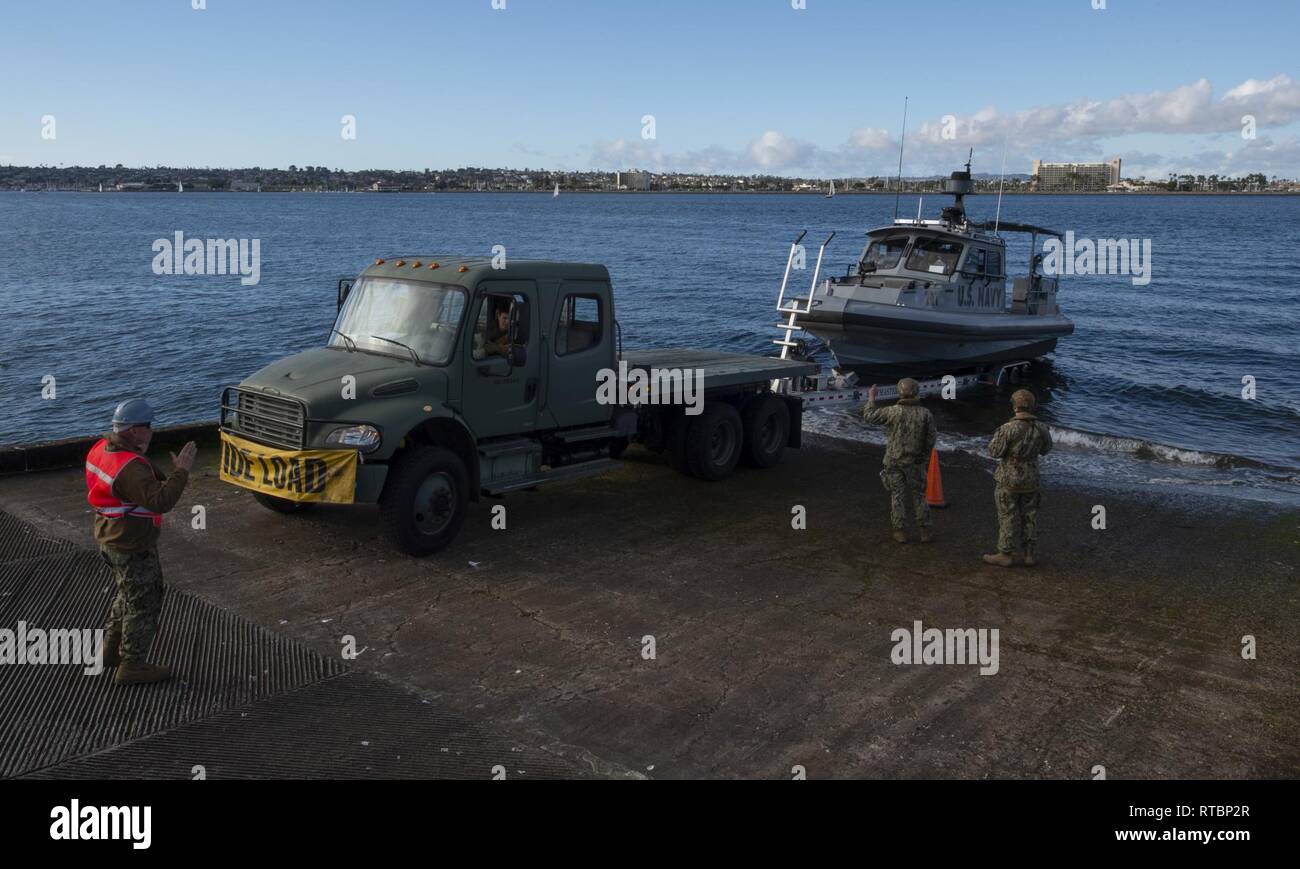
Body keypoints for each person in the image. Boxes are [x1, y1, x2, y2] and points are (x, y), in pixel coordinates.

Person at [84, 399, 196, 684]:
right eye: (147, 427)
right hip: (131, 545)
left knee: (126, 595)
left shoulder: (101, 449)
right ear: (133, 431)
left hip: (110, 538)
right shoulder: (130, 467)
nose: (151, 431)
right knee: (144, 602)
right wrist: (181, 471)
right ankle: (132, 665)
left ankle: (110, 652)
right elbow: (161, 501)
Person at [862, 378, 937, 543]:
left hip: (894, 460)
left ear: (899, 392)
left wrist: (872, 398)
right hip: (915, 461)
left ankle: (900, 532)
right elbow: (931, 439)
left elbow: (869, 416)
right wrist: (922, 459)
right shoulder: (926, 414)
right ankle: (925, 531)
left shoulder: (893, 411)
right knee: (919, 495)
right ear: (917, 392)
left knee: (897, 495)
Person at [983, 389, 1053, 567]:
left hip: (1009, 478)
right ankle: (1029, 554)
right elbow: (1046, 450)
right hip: (1031, 477)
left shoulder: (1007, 428)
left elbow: (994, 452)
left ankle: (1005, 554)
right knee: (1030, 516)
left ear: (1014, 406)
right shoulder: (1042, 428)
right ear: (1032, 405)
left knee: (1007, 515)